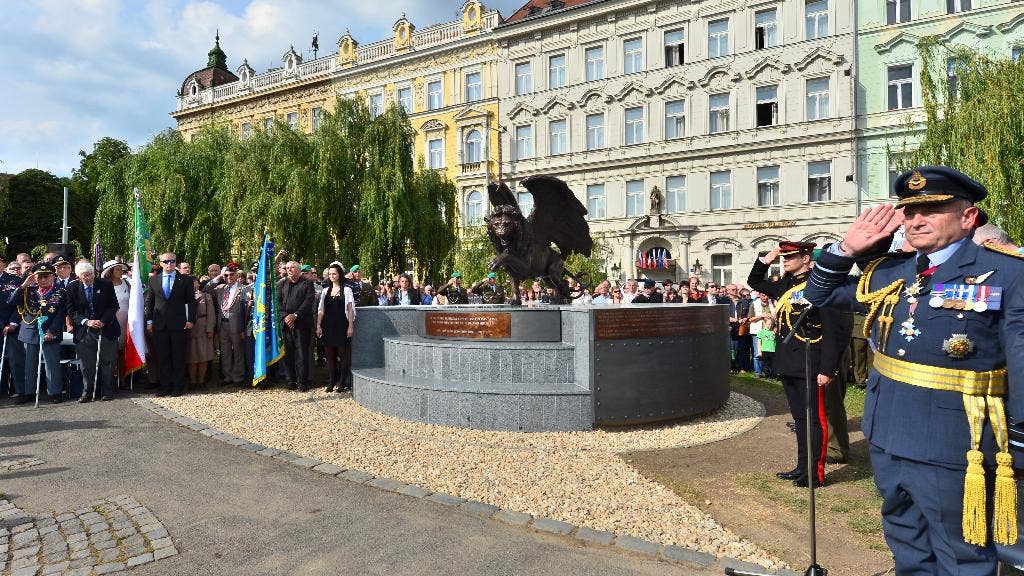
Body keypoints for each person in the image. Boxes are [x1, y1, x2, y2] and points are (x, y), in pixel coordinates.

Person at [805, 166, 1024, 572]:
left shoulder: (1008, 273)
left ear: (968, 217)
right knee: (906, 544)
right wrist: (845, 250)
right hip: (886, 433)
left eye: (931, 209)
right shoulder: (893, 270)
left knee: (962, 555)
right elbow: (816, 296)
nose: (916, 220)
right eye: (909, 211)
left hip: (955, 443)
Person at [748, 241, 849, 488]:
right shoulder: (785, 285)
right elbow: (755, 281)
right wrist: (768, 258)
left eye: (791, 256)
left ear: (806, 258)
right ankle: (802, 467)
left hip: (811, 363)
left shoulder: (821, 285)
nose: (786, 260)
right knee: (800, 420)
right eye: (784, 256)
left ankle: (815, 473)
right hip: (789, 362)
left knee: (815, 420)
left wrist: (827, 369)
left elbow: (834, 330)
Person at [9, 263, 68, 403]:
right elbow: (11, 301)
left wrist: (51, 331)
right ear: (34, 277)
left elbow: (61, 314)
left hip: (50, 331)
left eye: (46, 276)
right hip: (30, 331)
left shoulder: (60, 291)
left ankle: (55, 392)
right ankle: (28, 392)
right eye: (39, 277)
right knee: (29, 364)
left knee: (51, 363)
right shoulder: (28, 290)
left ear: (53, 276)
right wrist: (23, 285)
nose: (43, 280)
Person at [65, 262, 120, 401]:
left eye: (90, 274)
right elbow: (71, 310)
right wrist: (86, 321)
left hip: (106, 328)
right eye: (85, 276)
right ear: (78, 276)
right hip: (84, 331)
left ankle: (107, 391)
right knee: (87, 363)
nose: (88, 278)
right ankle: (88, 392)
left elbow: (113, 306)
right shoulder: (72, 287)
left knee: (107, 361)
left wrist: (103, 321)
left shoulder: (105, 284)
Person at [144, 252, 196, 397]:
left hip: (179, 324)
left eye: (172, 261)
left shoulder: (185, 280)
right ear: (160, 263)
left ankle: (178, 386)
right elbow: (150, 302)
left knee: (178, 356)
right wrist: (149, 322)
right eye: (166, 261)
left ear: (175, 262)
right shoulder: (154, 280)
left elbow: (191, 301)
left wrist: (191, 320)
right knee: (163, 357)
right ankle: (164, 386)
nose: (169, 264)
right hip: (160, 325)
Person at [317, 263, 355, 392]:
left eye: (334, 273)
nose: (332, 276)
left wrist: (350, 326)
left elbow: (350, 309)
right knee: (330, 355)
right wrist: (318, 325)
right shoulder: (325, 291)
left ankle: (342, 381)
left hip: (342, 325)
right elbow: (321, 309)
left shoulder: (347, 290)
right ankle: (332, 380)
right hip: (327, 326)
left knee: (343, 355)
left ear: (339, 275)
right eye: (330, 274)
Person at [277, 261, 315, 391]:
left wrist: (295, 315)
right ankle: (290, 380)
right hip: (286, 324)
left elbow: (308, 301)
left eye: (292, 267)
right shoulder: (281, 283)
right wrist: (285, 316)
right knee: (288, 354)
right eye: (287, 268)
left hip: (302, 324)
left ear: (299, 270)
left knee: (302, 354)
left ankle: (302, 382)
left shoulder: (307, 282)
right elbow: (277, 302)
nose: (289, 270)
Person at [214, 264, 250, 386]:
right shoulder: (220, 288)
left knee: (238, 351)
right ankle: (227, 376)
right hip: (222, 324)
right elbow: (205, 289)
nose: (228, 277)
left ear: (236, 275)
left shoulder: (244, 288)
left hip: (237, 325)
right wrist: (219, 276)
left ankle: (238, 376)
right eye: (226, 275)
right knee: (225, 352)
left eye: (231, 275)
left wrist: (243, 327)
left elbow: (247, 310)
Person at [1, 260, 26, 398]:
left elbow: (20, 303)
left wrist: (13, 322)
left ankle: (21, 391)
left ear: (2, 264)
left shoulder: (15, 280)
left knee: (16, 360)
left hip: (11, 326)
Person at [185, 277, 216, 390]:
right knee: (191, 356)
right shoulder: (184, 296)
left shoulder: (206, 296)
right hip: (190, 328)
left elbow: (211, 314)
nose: (193, 285)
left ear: (199, 284)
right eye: (191, 283)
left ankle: (201, 380)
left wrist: (210, 328)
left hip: (203, 327)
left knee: (203, 355)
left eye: (195, 283)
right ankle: (193, 381)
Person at [748, 292, 776, 377]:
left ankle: (768, 371)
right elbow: (750, 318)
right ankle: (758, 372)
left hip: (770, 331)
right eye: (763, 295)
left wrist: (774, 323)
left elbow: (776, 317)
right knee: (758, 353)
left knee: (769, 353)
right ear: (759, 295)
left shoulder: (772, 303)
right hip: (758, 331)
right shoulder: (754, 303)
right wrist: (761, 316)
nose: (765, 297)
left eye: (767, 295)